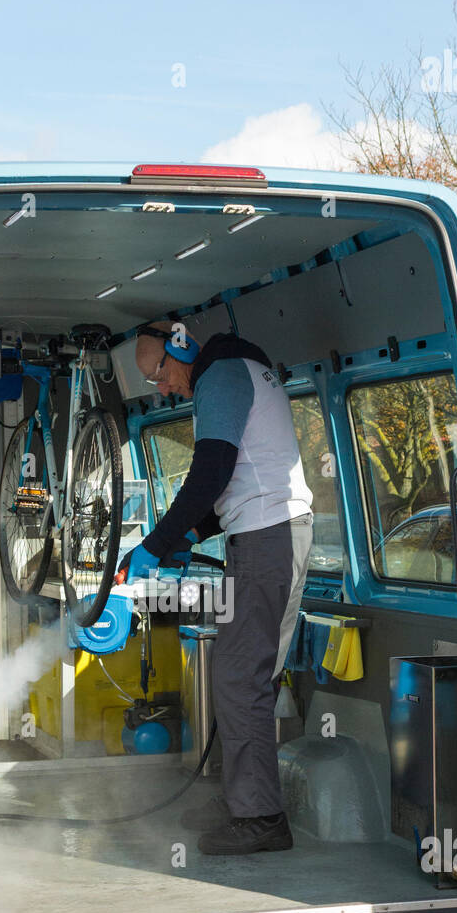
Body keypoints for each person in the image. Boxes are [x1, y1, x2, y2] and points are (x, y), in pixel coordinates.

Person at [119, 320, 313, 855]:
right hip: (267, 533)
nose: (161, 388)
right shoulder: (237, 369)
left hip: (268, 538)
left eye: (158, 372)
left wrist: (156, 544)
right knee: (244, 674)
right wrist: (191, 534)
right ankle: (241, 799)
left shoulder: (221, 375)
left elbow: (211, 472)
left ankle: (260, 820)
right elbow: (242, 478)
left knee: (237, 677)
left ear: (181, 348)